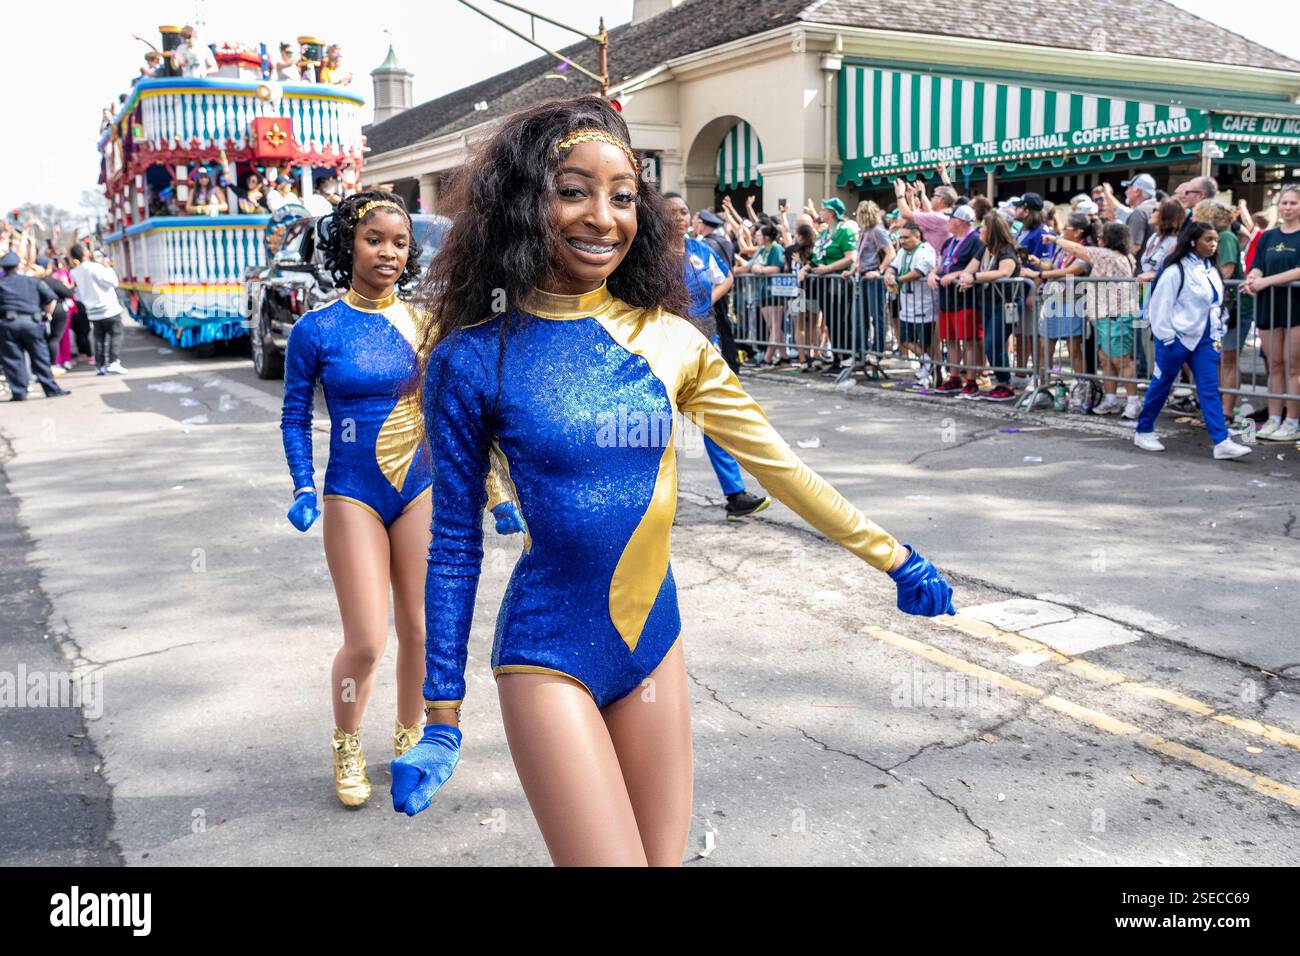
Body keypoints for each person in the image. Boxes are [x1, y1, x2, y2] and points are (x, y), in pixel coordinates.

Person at [390, 96, 955, 867]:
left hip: (654, 643)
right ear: (524, 204)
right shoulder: (473, 357)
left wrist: (892, 554)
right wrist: (443, 716)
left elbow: (777, 467)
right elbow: (453, 545)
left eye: (624, 197)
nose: (602, 217)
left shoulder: (673, 343)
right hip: (547, 651)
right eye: (573, 190)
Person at [279, 190, 522, 808]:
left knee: (421, 628)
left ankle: (413, 738)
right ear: (347, 245)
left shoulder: (428, 323)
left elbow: (464, 417)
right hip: (351, 494)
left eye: (400, 243)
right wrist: (304, 483)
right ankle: (346, 742)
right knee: (366, 639)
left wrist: (496, 492)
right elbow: (293, 416)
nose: (388, 252)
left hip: (422, 489)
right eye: (374, 240)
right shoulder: (317, 329)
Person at [663, 192, 770, 520]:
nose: (682, 216)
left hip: (703, 341)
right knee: (661, 425)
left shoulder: (700, 249)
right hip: (663, 345)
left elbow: (727, 277)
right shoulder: (648, 255)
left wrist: (705, 301)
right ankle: (658, 500)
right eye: (674, 212)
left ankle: (735, 494)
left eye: (685, 210)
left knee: (712, 417)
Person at [1134, 221, 1251, 460]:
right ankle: (1144, 429)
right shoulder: (1175, 270)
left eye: (1215, 240)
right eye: (1208, 239)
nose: (1213, 244)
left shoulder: (1210, 268)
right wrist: (1167, 339)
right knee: (1162, 384)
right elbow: (1159, 306)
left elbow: (1216, 305)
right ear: (1192, 241)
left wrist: (1217, 332)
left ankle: (1221, 441)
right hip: (1176, 338)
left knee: (1209, 388)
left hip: (1205, 339)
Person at [1048, 223, 1141, 418]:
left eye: (1101, 237)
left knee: (1120, 359)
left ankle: (1133, 401)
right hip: (1103, 314)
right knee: (1105, 358)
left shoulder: (1109, 255)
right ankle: (1111, 399)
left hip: (1117, 315)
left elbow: (1077, 249)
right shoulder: (1116, 256)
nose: (1098, 240)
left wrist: (1055, 239)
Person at [1243, 183, 1300, 442]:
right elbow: (1256, 265)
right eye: (1284, 203)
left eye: (1293, 203)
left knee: (1293, 366)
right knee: (1274, 365)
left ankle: (1292, 421)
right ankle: (1274, 418)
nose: (1288, 208)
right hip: (1269, 305)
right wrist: (1254, 278)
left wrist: (1266, 281)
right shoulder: (1268, 236)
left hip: (1295, 306)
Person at [959, 213, 1020, 401]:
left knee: (994, 343)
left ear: (991, 230)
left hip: (1005, 304)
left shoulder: (1006, 249)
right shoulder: (985, 249)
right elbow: (970, 268)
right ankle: (1002, 383)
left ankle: (1006, 384)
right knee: (991, 344)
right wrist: (963, 277)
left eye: (983, 227)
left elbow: (1004, 272)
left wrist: (974, 278)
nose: (979, 230)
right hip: (986, 302)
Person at [0, 251, 70, 401]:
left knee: (13, 359)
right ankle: (51, 389)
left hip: (8, 325)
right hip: (31, 323)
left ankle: (19, 392)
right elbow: (51, 298)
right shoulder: (33, 281)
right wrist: (47, 315)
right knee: (40, 357)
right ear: (18, 266)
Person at [932, 205, 985, 394]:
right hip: (948, 299)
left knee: (969, 341)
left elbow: (979, 268)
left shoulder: (976, 241)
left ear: (960, 221)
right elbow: (940, 265)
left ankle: (971, 381)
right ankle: (953, 377)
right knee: (951, 340)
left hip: (966, 299)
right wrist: (932, 272)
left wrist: (955, 275)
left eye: (951, 218)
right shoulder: (949, 242)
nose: (947, 221)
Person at [803, 197, 857, 369]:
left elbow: (850, 258)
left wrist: (827, 269)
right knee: (830, 321)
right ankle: (837, 356)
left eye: (824, 209)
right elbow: (816, 257)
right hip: (824, 283)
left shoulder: (844, 231)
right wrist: (806, 267)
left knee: (840, 319)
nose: (820, 212)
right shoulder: (825, 233)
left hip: (839, 281)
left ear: (832, 213)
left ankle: (846, 356)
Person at [884, 221, 937, 386]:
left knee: (926, 342)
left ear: (917, 236)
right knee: (905, 340)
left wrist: (898, 280)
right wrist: (888, 274)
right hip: (907, 305)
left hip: (925, 305)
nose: (902, 240)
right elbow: (892, 266)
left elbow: (919, 272)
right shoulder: (902, 252)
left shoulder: (926, 251)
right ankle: (928, 363)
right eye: (901, 237)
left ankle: (929, 370)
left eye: (906, 237)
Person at [68, 243, 126, 375]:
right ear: (83, 253)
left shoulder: (75, 271)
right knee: (116, 334)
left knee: (99, 337)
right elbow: (113, 282)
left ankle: (99, 366)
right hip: (108, 307)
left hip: (91, 310)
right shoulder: (95, 267)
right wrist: (107, 267)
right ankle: (113, 362)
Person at [854, 200, 895, 354]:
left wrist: (879, 270)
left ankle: (877, 351)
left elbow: (891, 252)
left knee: (876, 316)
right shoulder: (864, 231)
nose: (856, 216)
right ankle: (862, 351)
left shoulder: (878, 231)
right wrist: (852, 270)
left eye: (858, 213)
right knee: (860, 316)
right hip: (862, 277)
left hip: (873, 278)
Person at [746, 224, 788, 365]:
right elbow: (752, 265)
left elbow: (777, 267)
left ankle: (767, 358)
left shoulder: (776, 248)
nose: (756, 237)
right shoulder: (762, 249)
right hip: (763, 291)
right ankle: (784, 356)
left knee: (775, 326)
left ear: (767, 237)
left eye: (759, 235)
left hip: (775, 291)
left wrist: (761, 270)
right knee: (771, 326)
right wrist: (756, 268)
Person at [1123, 173, 1159, 258]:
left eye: (1129, 188)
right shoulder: (1158, 207)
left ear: (1137, 192)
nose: (1126, 192)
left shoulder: (1139, 212)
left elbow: (1133, 247)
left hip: (1140, 268)